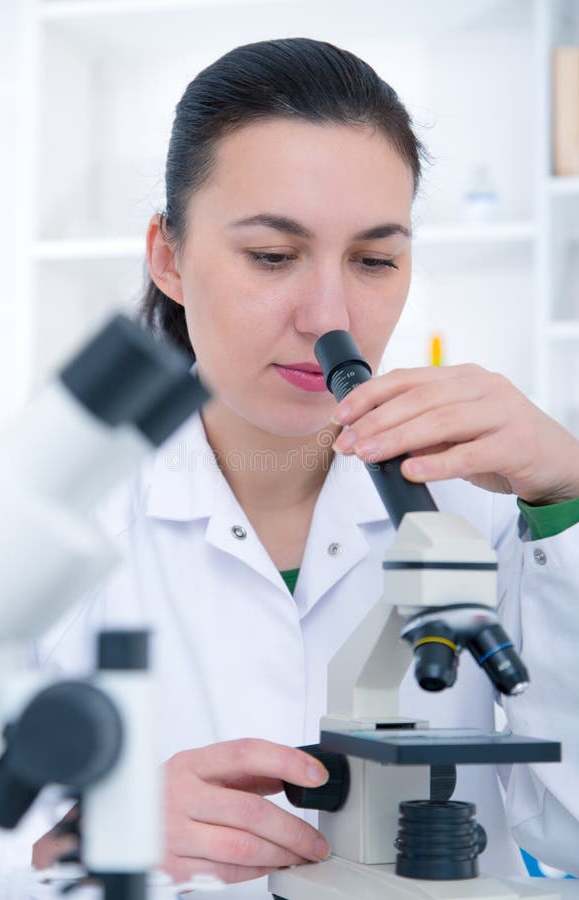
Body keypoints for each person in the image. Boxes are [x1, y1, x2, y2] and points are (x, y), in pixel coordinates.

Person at [32, 38, 579, 897]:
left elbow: (573, 825)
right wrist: (77, 834)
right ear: (169, 257)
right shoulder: (48, 523)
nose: (330, 318)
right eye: (272, 256)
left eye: (374, 260)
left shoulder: (480, 509)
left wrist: (569, 502)